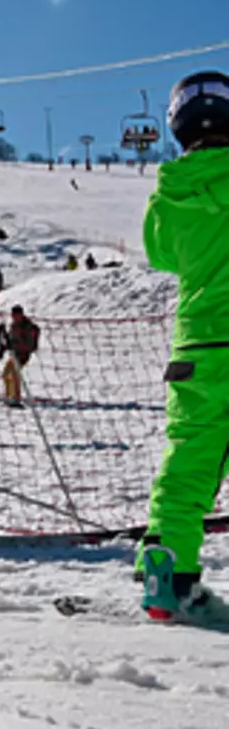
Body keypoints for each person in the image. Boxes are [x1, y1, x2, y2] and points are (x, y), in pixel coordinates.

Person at [138, 70, 229, 625]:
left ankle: (167, 576)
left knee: (189, 458)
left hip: (198, 345)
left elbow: (161, 255)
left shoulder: (166, 198)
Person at [0, 305, 40, 408]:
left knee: (14, 374)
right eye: (13, 315)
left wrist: (14, 345)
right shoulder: (14, 325)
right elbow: (12, 339)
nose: (14, 317)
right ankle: (8, 394)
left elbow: (28, 345)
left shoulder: (27, 326)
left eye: (16, 315)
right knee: (6, 373)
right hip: (15, 354)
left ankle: (15, 397)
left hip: (23, 355)